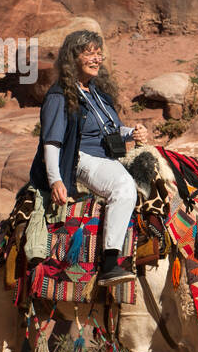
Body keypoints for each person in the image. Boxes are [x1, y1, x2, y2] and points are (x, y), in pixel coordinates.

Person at [28, 30, 150, 285]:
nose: (96, 59)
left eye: (98, 53)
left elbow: (112, 129)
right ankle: (110, 263)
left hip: (108, 158)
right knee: (123, 187)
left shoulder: (97, 95)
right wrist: (56, 181)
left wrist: (132, 132)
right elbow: (52, 142)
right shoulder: (59, 95)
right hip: (80, 159)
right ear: (73, 58)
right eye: (89, 53)